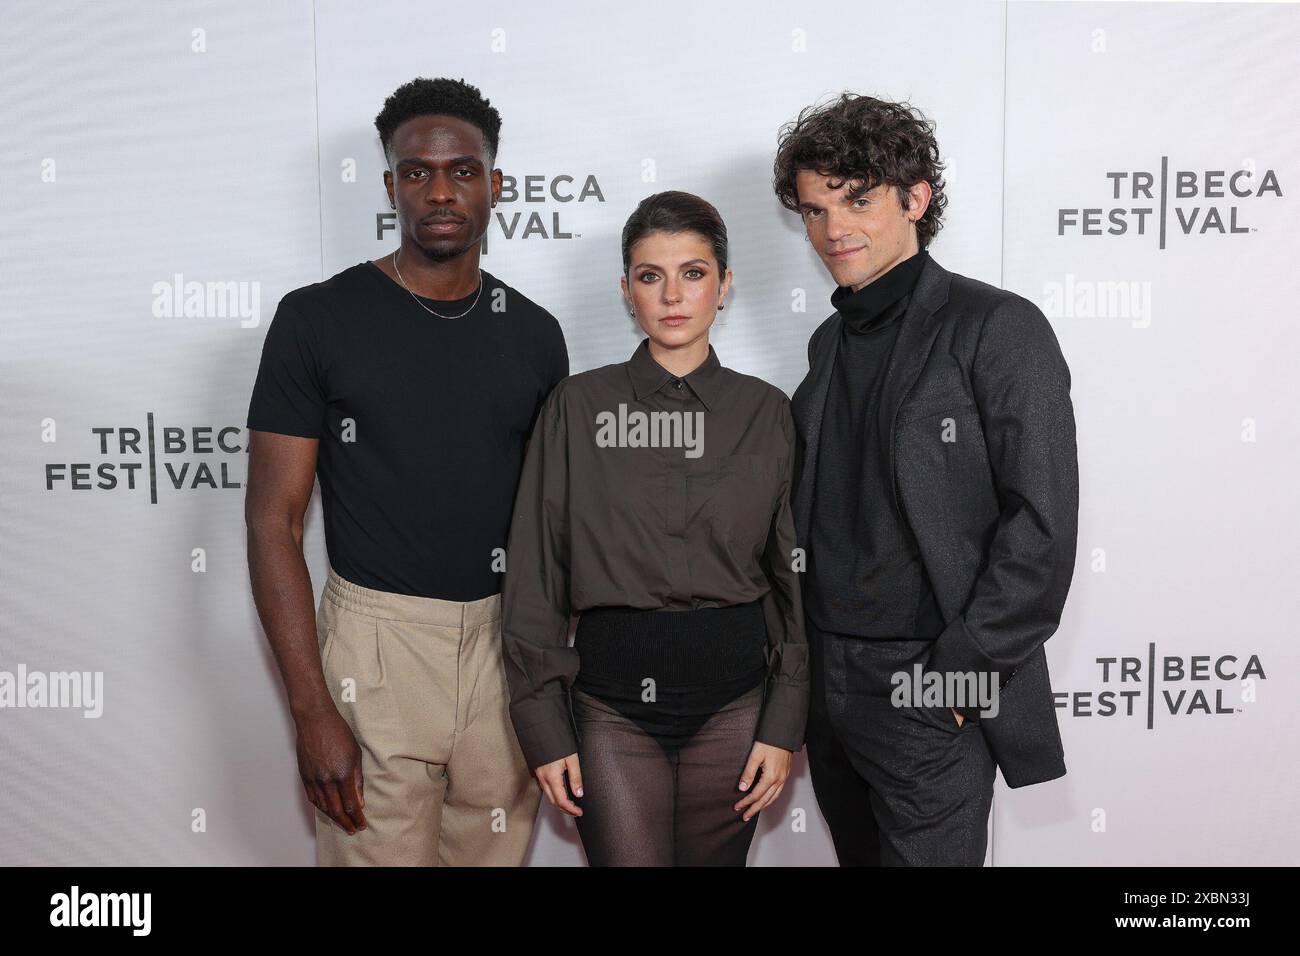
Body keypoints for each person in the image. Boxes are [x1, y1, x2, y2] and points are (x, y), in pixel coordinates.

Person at [245, 77, 567, 866]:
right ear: (390, 185)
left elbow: (554, 525)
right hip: (374, 650)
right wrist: (312, 711)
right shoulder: (316, 319)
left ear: (495, 183)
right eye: (417, 172)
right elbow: (273, 523)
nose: (441, 190)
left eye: (463, 169)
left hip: (506, 648)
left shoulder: (534, 335)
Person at [773, 93, 1079, 865]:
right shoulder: (826, 344)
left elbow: (1041, 528)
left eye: (857, 200)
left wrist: (956, 675)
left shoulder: (996, 327)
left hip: (927, 679)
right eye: (813, 210)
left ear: (916, 199)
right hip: (830, 683)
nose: (833, 229)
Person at [500, 191, 809, 866]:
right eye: (650, 275)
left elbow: (793, 583)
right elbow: (534, 575)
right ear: (626, 290)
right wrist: (543, 725)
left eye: (693, 273)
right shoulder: (575, 408)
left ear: (724, 285)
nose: (673, 294)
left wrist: (784, 722)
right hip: (610, 709)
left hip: (736, 707)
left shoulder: (768, 414)